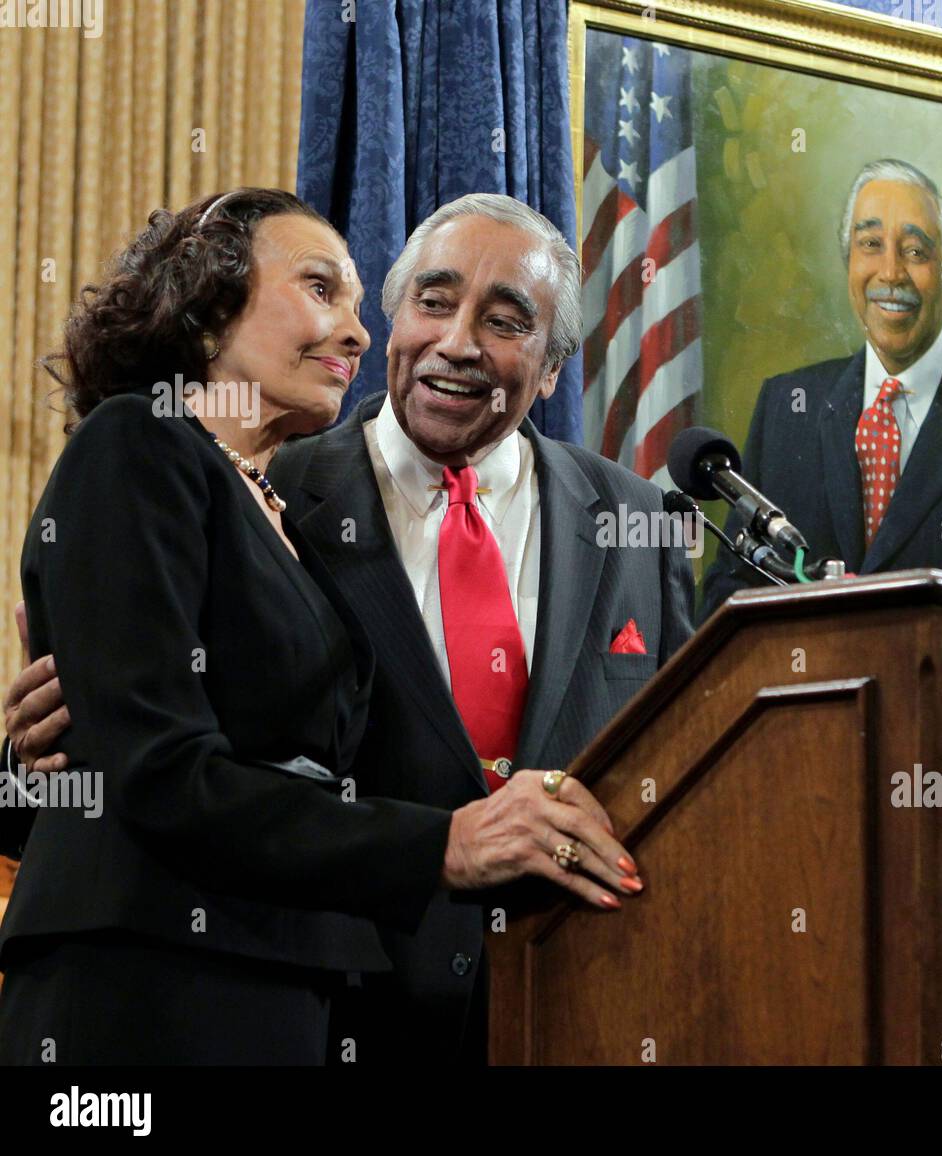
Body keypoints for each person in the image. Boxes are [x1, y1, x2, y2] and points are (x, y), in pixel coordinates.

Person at [4, 192, 695, 1064]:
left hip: (563, 1000)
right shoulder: (256, 477)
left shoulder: (636, 521)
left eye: (506, 319)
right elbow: (154, 755)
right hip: (313, 1004)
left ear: (553, 367)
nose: (455, 341)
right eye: (433, 302)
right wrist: (34, 767)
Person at [701, 158, 942, 620]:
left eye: (915, 251)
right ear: (849, 267)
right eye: (870, 244)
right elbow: (725, 600)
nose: (890, 272)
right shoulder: (785, 411)